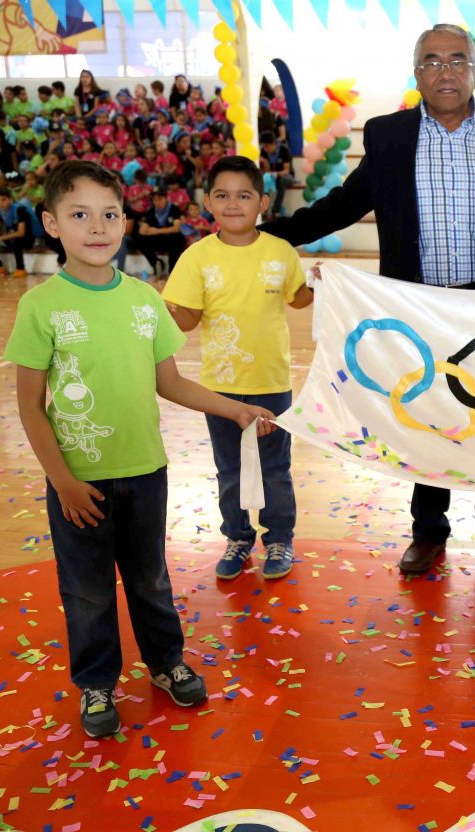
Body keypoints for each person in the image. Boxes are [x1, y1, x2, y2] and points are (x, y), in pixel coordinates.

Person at [261, 23, 475, 577]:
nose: (446, 71)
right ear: (417, 73)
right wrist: (269, 236)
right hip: (415, 308)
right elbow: (345, 203)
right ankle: (428, 533)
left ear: (473, 71)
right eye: (433, 61)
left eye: (457, 60)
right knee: (423, 417)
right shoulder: (388, 134)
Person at [4, 161, 277, 739]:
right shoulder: (41, 306)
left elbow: (170, 382)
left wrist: (236, 408)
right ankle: (97, 682)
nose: (97, 227)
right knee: (87, 589)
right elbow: (31, 405)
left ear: (124, 221)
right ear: (52, 224)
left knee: (151, 578)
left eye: (109, 214)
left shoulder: (143, 300)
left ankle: (165, 663)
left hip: (146, 473)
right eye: (80, 215)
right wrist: (63, 481)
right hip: (78, 481)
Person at [162, 155, 311, 580]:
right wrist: (157, 310)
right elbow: (187, 318)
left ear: (263, 202)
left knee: (274, 469)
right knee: (229, 469)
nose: (233, 204)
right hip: (220, 389)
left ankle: (279, 538)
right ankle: (238, 537)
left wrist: (323, 283)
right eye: (223, 195)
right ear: (208, 202)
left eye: (244, 195)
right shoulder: (196, 257)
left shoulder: (280, 252)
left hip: (271, 382)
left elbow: (297, 298)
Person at [135, 188, 185, 277]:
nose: (158, 202)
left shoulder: (174, 209)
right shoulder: (151, 211)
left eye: (160, 199)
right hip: (158, 239)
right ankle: (156, 263)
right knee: (139, 239)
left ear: (166, 198)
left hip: (171, 239)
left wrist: (156, 231)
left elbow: (176, 228)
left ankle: (172, 271)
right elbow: (142, 231)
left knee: (176, 238)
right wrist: (150, 232)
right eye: (155, 200)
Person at [0, 186, 34, 278]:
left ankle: (20, 268)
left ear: (10, 199)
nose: (0, 203)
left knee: (16, 241)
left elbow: (21, 233)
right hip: (11, 236)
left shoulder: (20, 210)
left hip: (27, 239)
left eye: (3, 200)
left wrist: (1, 238)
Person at [259, 130, 294, 218]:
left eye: (267, 146)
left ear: (273, 143)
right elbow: (267, 172)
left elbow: (287, 170)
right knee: (265, 181)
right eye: (263, 146)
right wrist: (265, 162)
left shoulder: (283, 150)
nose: (265, 149)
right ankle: (264, 210)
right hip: (272, 176)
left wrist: (275, 174)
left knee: (280, 181)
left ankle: (276, 210)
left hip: (286, 176)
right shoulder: (264, 152)